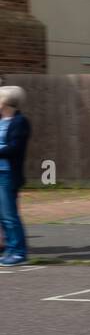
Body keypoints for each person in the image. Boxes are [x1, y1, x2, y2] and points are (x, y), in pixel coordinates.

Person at [0, 86, 32, 266]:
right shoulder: (1, 120)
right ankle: (10, 250)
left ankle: (19, 252)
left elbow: (15, 148)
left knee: (10, 214)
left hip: (8, 173)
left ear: (5, 102)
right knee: (2, 216)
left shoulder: (20, 122)